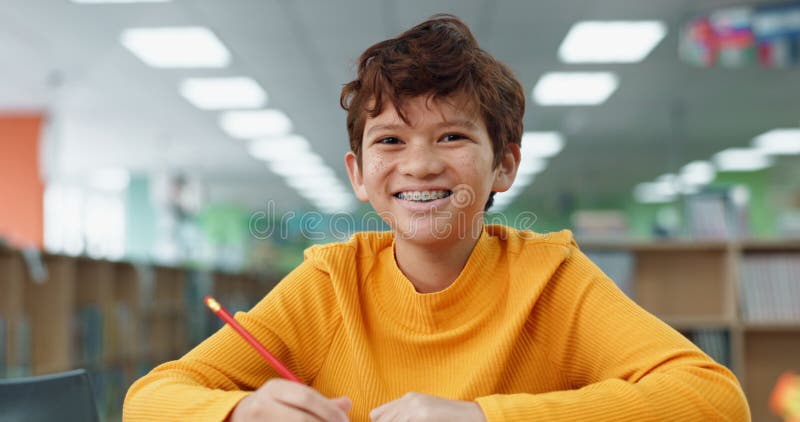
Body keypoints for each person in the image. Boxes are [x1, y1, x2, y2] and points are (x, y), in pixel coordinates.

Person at [123, 14, 750, 421]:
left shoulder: (551, 278)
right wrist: (243, 413)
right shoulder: (329, 285)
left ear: (504, 166)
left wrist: (482, 418)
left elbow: (715, 399)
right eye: (390, 141)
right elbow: (148, 399)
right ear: (358, 175)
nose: (419, 165)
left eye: (451, 138)